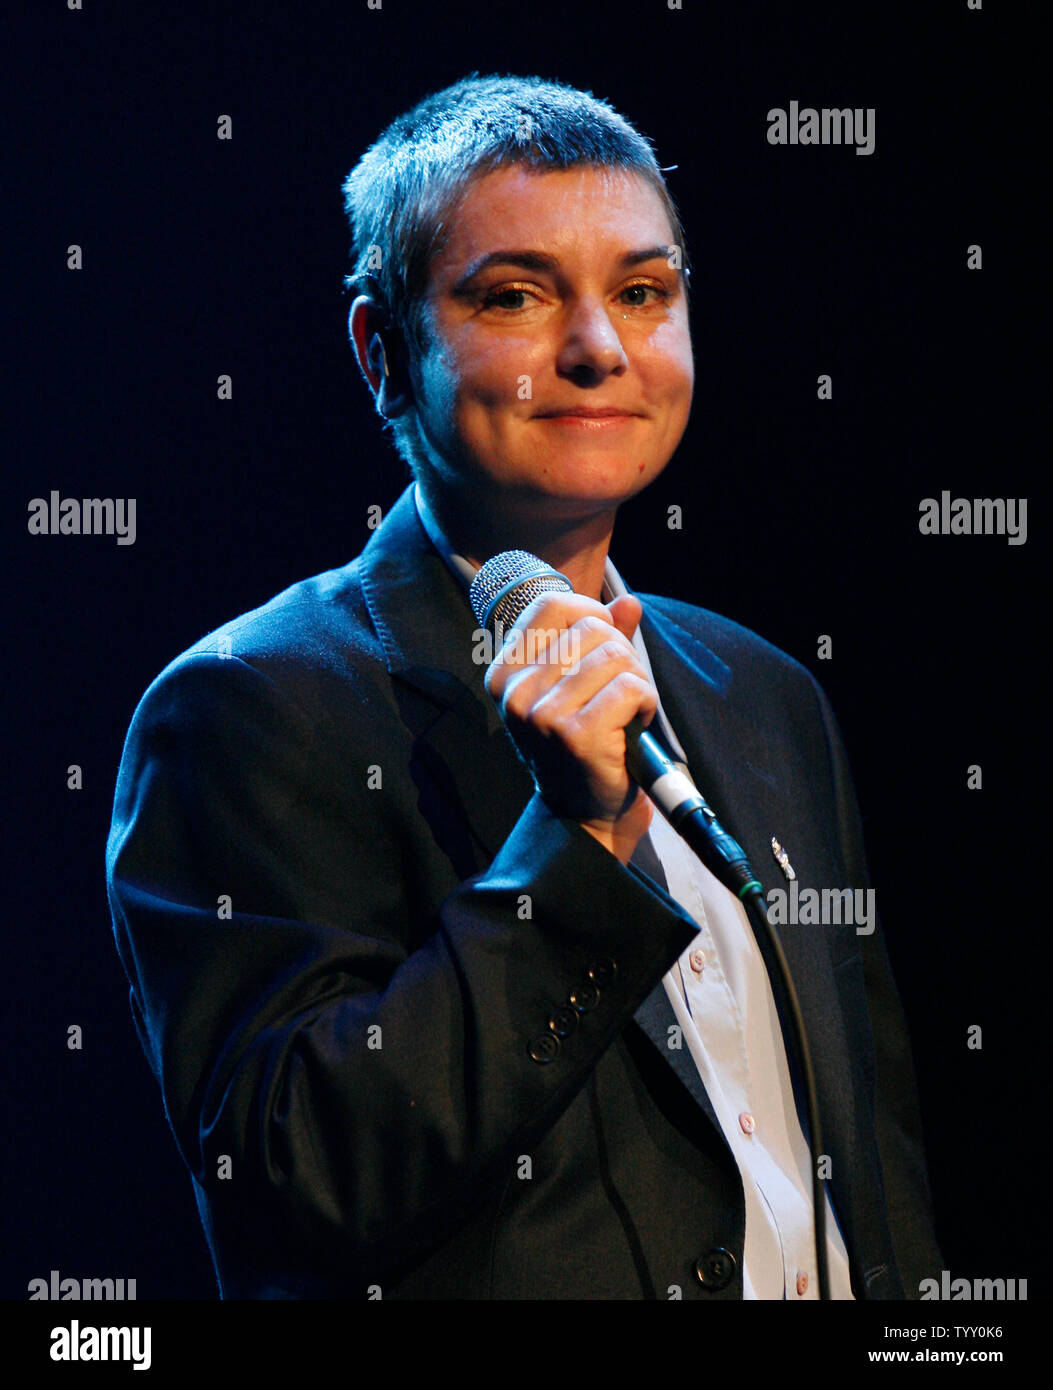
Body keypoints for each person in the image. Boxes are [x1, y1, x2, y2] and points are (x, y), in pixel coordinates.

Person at [106, 74, 942, 1299]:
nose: (601, 347)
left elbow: (874, 1160)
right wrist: (574, 841)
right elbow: (295, 1180)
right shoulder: (247, 706)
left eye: (644, 292)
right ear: (384, 355)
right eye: (515, 295)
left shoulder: (767, 696)